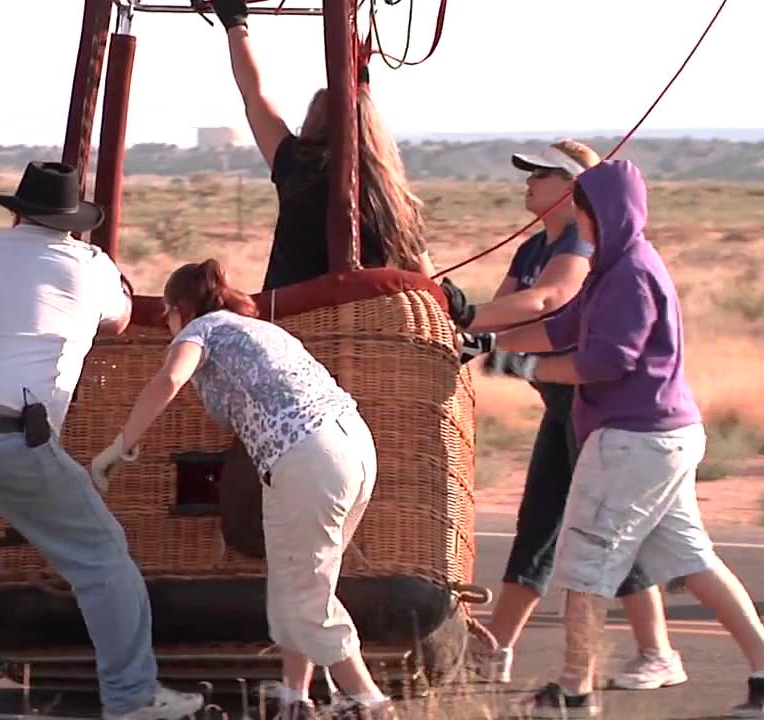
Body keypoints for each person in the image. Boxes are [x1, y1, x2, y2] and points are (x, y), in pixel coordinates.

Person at [465, 159, 764, 718]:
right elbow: (561, 329)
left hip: (634, 439)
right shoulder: (613, 268)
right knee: (691, 559)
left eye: (585, 210)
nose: (580, 220)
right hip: (660, 436)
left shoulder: (630, 275)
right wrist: (488, 343)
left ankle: (574, 689)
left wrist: (525, 368)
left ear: (607, 212)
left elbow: (604, 362)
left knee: (582, 562)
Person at [0, 161, 204, 720]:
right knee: (102, 559)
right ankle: (132, 697)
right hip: (9, 432)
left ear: (18, 211)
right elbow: (120, 320)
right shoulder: (89, 264)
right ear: (73, 222)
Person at [91, 259, 395, 719]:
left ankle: (368, 701)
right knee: (301, 584)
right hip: (351, 445)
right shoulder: (260, 330)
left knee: (305, 596)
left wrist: (118, 448)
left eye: (168, 317)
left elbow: (170, 378)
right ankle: (297, 697)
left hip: (304, 456)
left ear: (180, 308)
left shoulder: (203, 330)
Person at [440, 141, 685, 690]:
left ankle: (657, 652)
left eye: (540, 174)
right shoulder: (531, 248)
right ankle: (496, 650)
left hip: (595, 410)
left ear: (574, 188)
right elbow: (496, 315)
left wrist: (480, 329)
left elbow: (548, 303)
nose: (527, 181)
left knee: (606, 536)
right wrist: (466, 330)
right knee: (539, 526)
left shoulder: (580, 243)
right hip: (561, 409)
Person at [206, 0, 435, 291]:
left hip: (291, 321)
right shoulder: (395, 200)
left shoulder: (298, 167)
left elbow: (254, 93)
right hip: (367, 327)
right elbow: (428, 283)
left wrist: (234, 21)